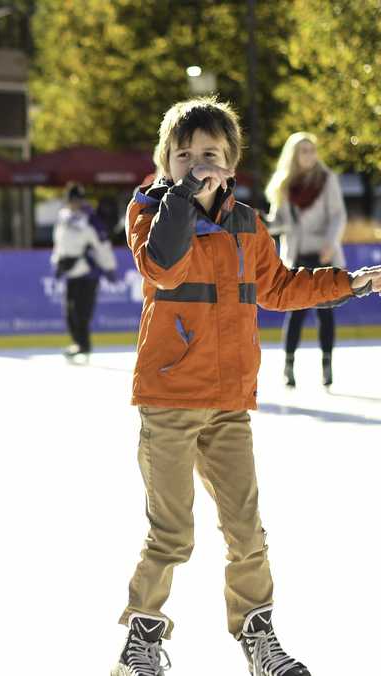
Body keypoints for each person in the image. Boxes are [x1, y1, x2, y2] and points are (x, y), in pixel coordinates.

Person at [112, 97, 381, 676]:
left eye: (210, 154)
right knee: (172, 532)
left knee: (246, 530)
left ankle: (258, 636)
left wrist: (350, 283)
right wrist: (179, 196)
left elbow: (279, 287)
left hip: (230, 405)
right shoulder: (150, 212)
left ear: (231, 163)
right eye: (183, 156)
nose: (196, 163)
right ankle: (141, 640)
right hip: (170, 401)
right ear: (165, 165)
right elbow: (163, 264)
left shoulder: (247, 224)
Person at [265, 132, 348, 388]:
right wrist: (261, 222)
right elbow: (278, 222)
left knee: (326, 315)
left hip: (324, 254)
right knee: (296, 314)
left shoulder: (327, 180)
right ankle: (288, 366)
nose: (309, 155)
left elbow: (337, 215)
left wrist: (330, 243)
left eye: (312, 150)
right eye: (304, 150)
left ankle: (327, 366)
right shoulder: (285, 185)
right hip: (297, 256)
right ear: (294, 155)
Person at [50, 183, 118, 363]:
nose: (74, 204)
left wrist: (109, 266)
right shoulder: (63, 218)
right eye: (71, 200)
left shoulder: (90, 219)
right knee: (69, 312)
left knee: (82, 312)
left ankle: (84, 346)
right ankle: (77, 343)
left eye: (77, 200)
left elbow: (102, 245)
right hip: (71, 271)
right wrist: (57, 262)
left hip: (88, 272)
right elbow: (59, 242)